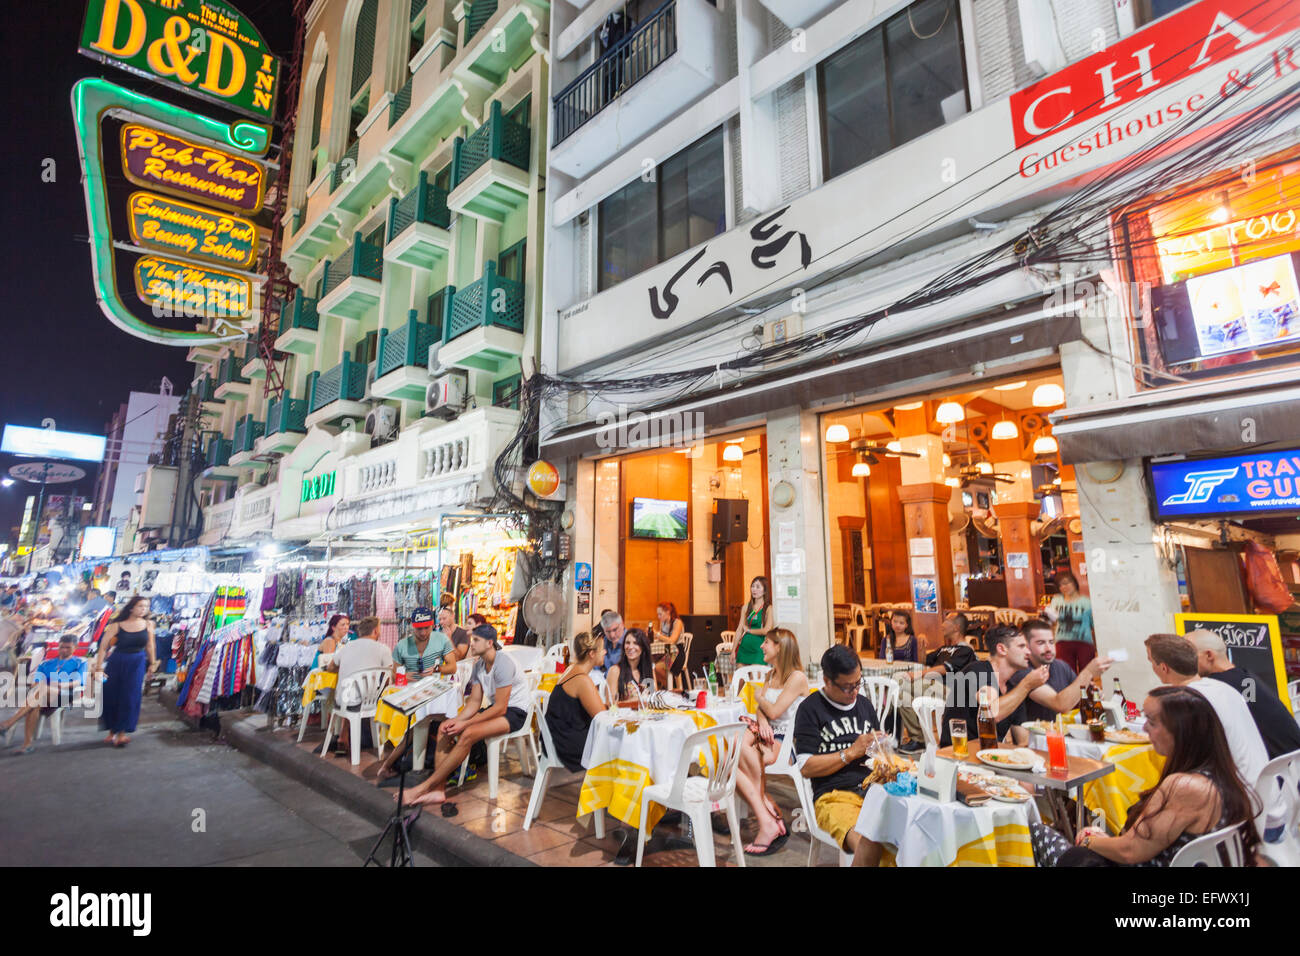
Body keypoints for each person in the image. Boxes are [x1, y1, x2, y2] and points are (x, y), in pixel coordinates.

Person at [1031, 685, 1261, 866]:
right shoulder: (1218, 773)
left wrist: (1090, 840)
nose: (1144, 729)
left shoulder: (1186, 786)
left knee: (1035, 833)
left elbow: (1130, 851)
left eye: (1152, 721)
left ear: (1180, 730)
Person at [404, 624, 532, 806]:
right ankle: (438, 790)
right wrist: (456, 720)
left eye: (476, 640)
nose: (471, 644)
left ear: (490, 643)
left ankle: (425, 787)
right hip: (496, 710)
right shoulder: (479, 665)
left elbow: (501, 708)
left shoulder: (503, 662)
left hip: (515, 712)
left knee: (468, 733)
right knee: (444, 728)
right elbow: (473, 702)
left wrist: (465, 725)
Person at [1145, 633, 1269, 800]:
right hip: (1266, 794)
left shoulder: (1189, 702)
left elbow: (1177, 758)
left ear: (1164, 667)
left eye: (1151, 662)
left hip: (1238, 805)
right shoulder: (1224, 688)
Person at [793, 644, 884, 863]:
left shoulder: (864, 705)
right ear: (827, 681)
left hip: (874, 790)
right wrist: (851, 752)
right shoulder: (810, 709)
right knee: (869, 843)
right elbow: (806, 767)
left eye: (858, 684)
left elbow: (877, 754)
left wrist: (882, 751)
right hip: (834, 795)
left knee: (910, 834)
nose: (854, 692)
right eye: (847, 687)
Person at [736, 627, 808, 856]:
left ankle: (769, 819)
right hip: (767, 734)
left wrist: (759, 698)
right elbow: (762, 711)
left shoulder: (797, 677)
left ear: (780, 647)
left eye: (766, 642)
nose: (761, 646)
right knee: (729, 755)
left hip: (786, 741)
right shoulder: (770, 674)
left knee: (731, 764)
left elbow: (775, 711)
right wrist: (762, 721)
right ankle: (768, 815)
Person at [1187, 629, 1300, 760]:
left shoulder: (1215, 686)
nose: (1184, 662)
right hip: (1289, 767)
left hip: (1273, 771)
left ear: (1209, 655)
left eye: (1189, 656)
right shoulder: (1245, 677)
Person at [941, 625, 1048, 749]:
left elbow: (1022, 741)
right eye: (1021, 646)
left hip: (989, 756)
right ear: (1002, 649)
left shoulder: (1013, 689)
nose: (1028, 652)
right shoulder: (977, 671)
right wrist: (1027, 685)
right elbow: (991, 713)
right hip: (958, 755)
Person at [1006, 618, 1113, 723]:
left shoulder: (1061, 666)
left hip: (1064, 733)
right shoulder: (1021, 671)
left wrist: (1094, 695)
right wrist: (1089, 672)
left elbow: (1082, 693)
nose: (1048, 648)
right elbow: (1060, 704)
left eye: (1051, 642)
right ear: (1027, 646)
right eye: (1041, 643)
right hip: (1036, 737)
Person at [897, 612, 976, 751]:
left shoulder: (966, 650)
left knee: (900, 683)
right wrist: (921, 645)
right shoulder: (943, 649)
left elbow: (946, 668)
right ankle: (918, 739)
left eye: (946, 621)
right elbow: (922, 661)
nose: (942, 625)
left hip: (950, 691)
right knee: (901, 696)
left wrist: (918, 674)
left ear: (956, 627)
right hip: (932, 687)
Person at [1, 634, 87, 753]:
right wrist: (45, 685)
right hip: (43, 695)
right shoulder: (46, 663)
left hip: (65, 694)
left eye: (68, 647)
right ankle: (27, 745)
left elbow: (78, 681)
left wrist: (60, 685)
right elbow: (35, 682)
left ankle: (9, 722)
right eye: (61, 647)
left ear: (75, 647)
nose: (64, 650)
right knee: (35, 705)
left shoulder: (79, 662)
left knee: (41, 691)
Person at [93, 595, 157, 747]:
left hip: (137, 662)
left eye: (146, 607)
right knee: (111, 695)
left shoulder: (148, 624)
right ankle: (112, 730)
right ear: (131, 607)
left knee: (130, 696)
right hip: (117, 661)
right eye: (141, 606)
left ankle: (121, 733)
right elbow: (103, 646)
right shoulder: (117, 625)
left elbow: (150, 646)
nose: (143, 609)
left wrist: (152, 664)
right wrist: (99, 667)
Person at [542, 631, 607, 772]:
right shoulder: (582, 680)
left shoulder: (571, 669)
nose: (605, 652)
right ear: (592, 654)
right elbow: (603, 718)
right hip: (568, 744)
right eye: (602, 649)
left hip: (556, 737)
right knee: (619, 744)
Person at [326, 616, 391, 753]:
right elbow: (390, 674)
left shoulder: (347, 647)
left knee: (351, 694)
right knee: (370, 693)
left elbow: (330, 668)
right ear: (375, 631)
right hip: (371, 701)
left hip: (343, 700)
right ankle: (388, 740)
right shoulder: (383, 649)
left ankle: (343, 734)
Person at [1044, 571, 1095, 672]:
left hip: (1083, 641)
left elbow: (1093, 624)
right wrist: (1046, 617)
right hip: (1062, 641)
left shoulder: (1086, 602)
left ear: (1074, 583)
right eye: (1061, 585)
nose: (1064, 587)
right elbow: (1051, 620)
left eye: (1067, 583)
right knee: (1065, 673)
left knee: (1087, 674)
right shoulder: (1056, 600)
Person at [393, 607, 457, 679]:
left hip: (434, 687)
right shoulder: (401, 645)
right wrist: (403, 677)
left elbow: (453, 667)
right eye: (419, 628)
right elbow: (393, 674)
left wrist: (437, 669)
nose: (423, 633)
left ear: (432, 625)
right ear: (412, 626)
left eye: (426, 628)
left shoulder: (442, 639)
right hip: (410, 688)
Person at [607, 628, 653, 704]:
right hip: (623, 715)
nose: (630, 647)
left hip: (646, 715)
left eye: (635, 643)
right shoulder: (615, 670)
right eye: (627, 643)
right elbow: (611, 704)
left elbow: (653, 698)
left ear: (643, 647)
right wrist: (637, 700)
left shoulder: (648, 669)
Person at [734, 576, 773, 667]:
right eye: (753, 586)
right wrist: (733, 650)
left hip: (759, 648)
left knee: (755, 680)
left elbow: (767, 630)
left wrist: (749, 630)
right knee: (741, 680)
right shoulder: (746, 607)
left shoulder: (768, 608)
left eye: (758, 587)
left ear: (765, 591)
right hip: (744, 648)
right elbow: (740, 629)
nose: (754, 589)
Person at [649, 601, 686, 690]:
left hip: (677, 652)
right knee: (651, 666)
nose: (658, 617)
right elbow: (663, 638)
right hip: (667, 651)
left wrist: (657, 634)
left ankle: (671, 687)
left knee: (657, 668)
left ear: (668, 612)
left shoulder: (677, 622)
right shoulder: (663, 623)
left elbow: (672, 640)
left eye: (660, 614)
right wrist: (653, 635)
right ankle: (668, 687)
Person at [595, 609, 625, 676]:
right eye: (608, 631)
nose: (612, 635)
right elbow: (596, 664)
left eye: (615, 630)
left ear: (622, 624)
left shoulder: (632, 642)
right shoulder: (604, 641)